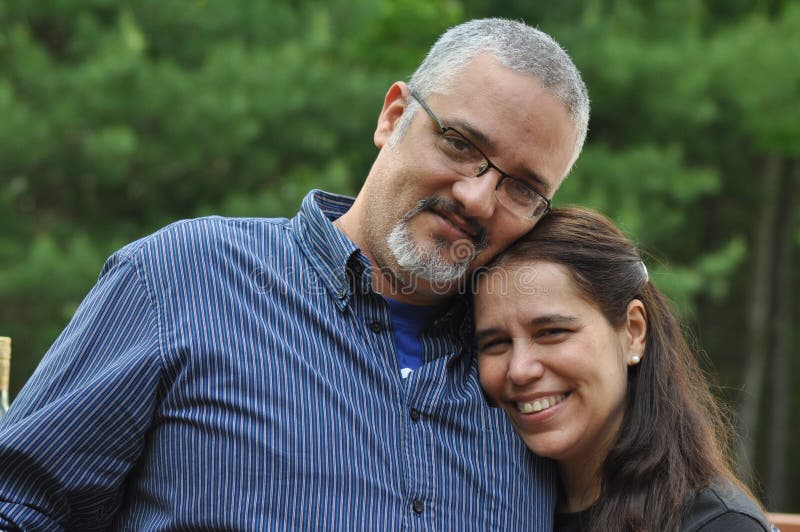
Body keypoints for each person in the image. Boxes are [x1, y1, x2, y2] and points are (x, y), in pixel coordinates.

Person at [0, 18, 589, 531]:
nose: (478, 198)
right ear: (393, 116)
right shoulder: (181, 278)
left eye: (522, 188)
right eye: (460, 144)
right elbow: (19, 505)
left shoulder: (538, 388)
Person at [474, 207, 775, 531]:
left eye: (551, 332)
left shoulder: (716, 524)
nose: (519, 370)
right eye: (496, 343)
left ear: (633, 331)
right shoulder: (491, 506)